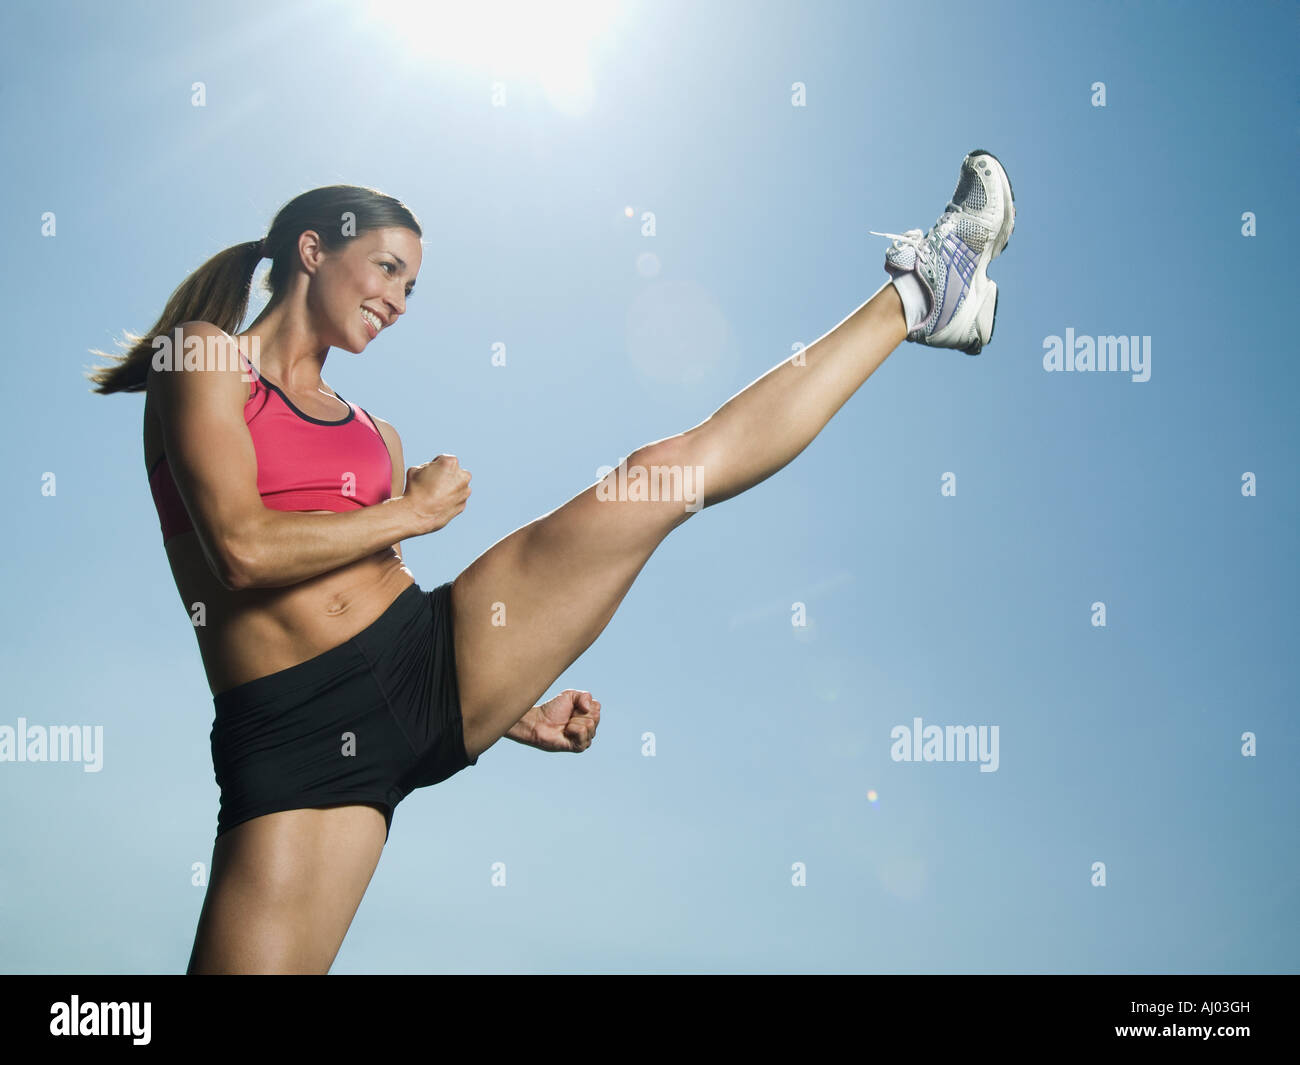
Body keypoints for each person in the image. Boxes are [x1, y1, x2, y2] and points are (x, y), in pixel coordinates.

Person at [85, 150, 1015, 973]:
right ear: (313, 250)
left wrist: (513, 709)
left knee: (661, 479)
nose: (398, 301)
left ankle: (927, 290)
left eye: (412, 289)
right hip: (289, 738)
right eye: (388, 269)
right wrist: (410, 509)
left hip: (431, 663)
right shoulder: (203, 358)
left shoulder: (375, 432)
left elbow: (377, 588)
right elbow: (241, 550)